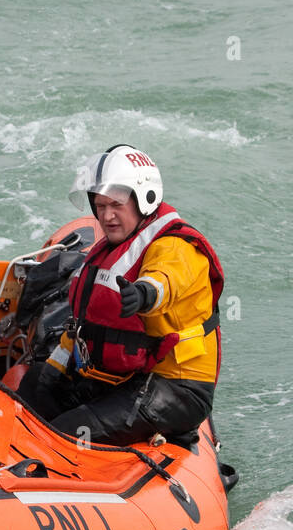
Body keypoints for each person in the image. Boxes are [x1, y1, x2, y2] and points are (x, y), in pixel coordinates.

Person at [16, 145, 225, 447]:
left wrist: (144, 294)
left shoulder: (177, 246)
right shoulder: (111, 248)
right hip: (121, 378)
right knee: (33, 388)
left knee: (68, 432)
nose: (107, 216)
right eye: (100, 207)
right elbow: (83, 325)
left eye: (115, 205)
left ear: (145, 200)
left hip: (177, 387)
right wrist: (53, 368)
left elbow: (166, 279)